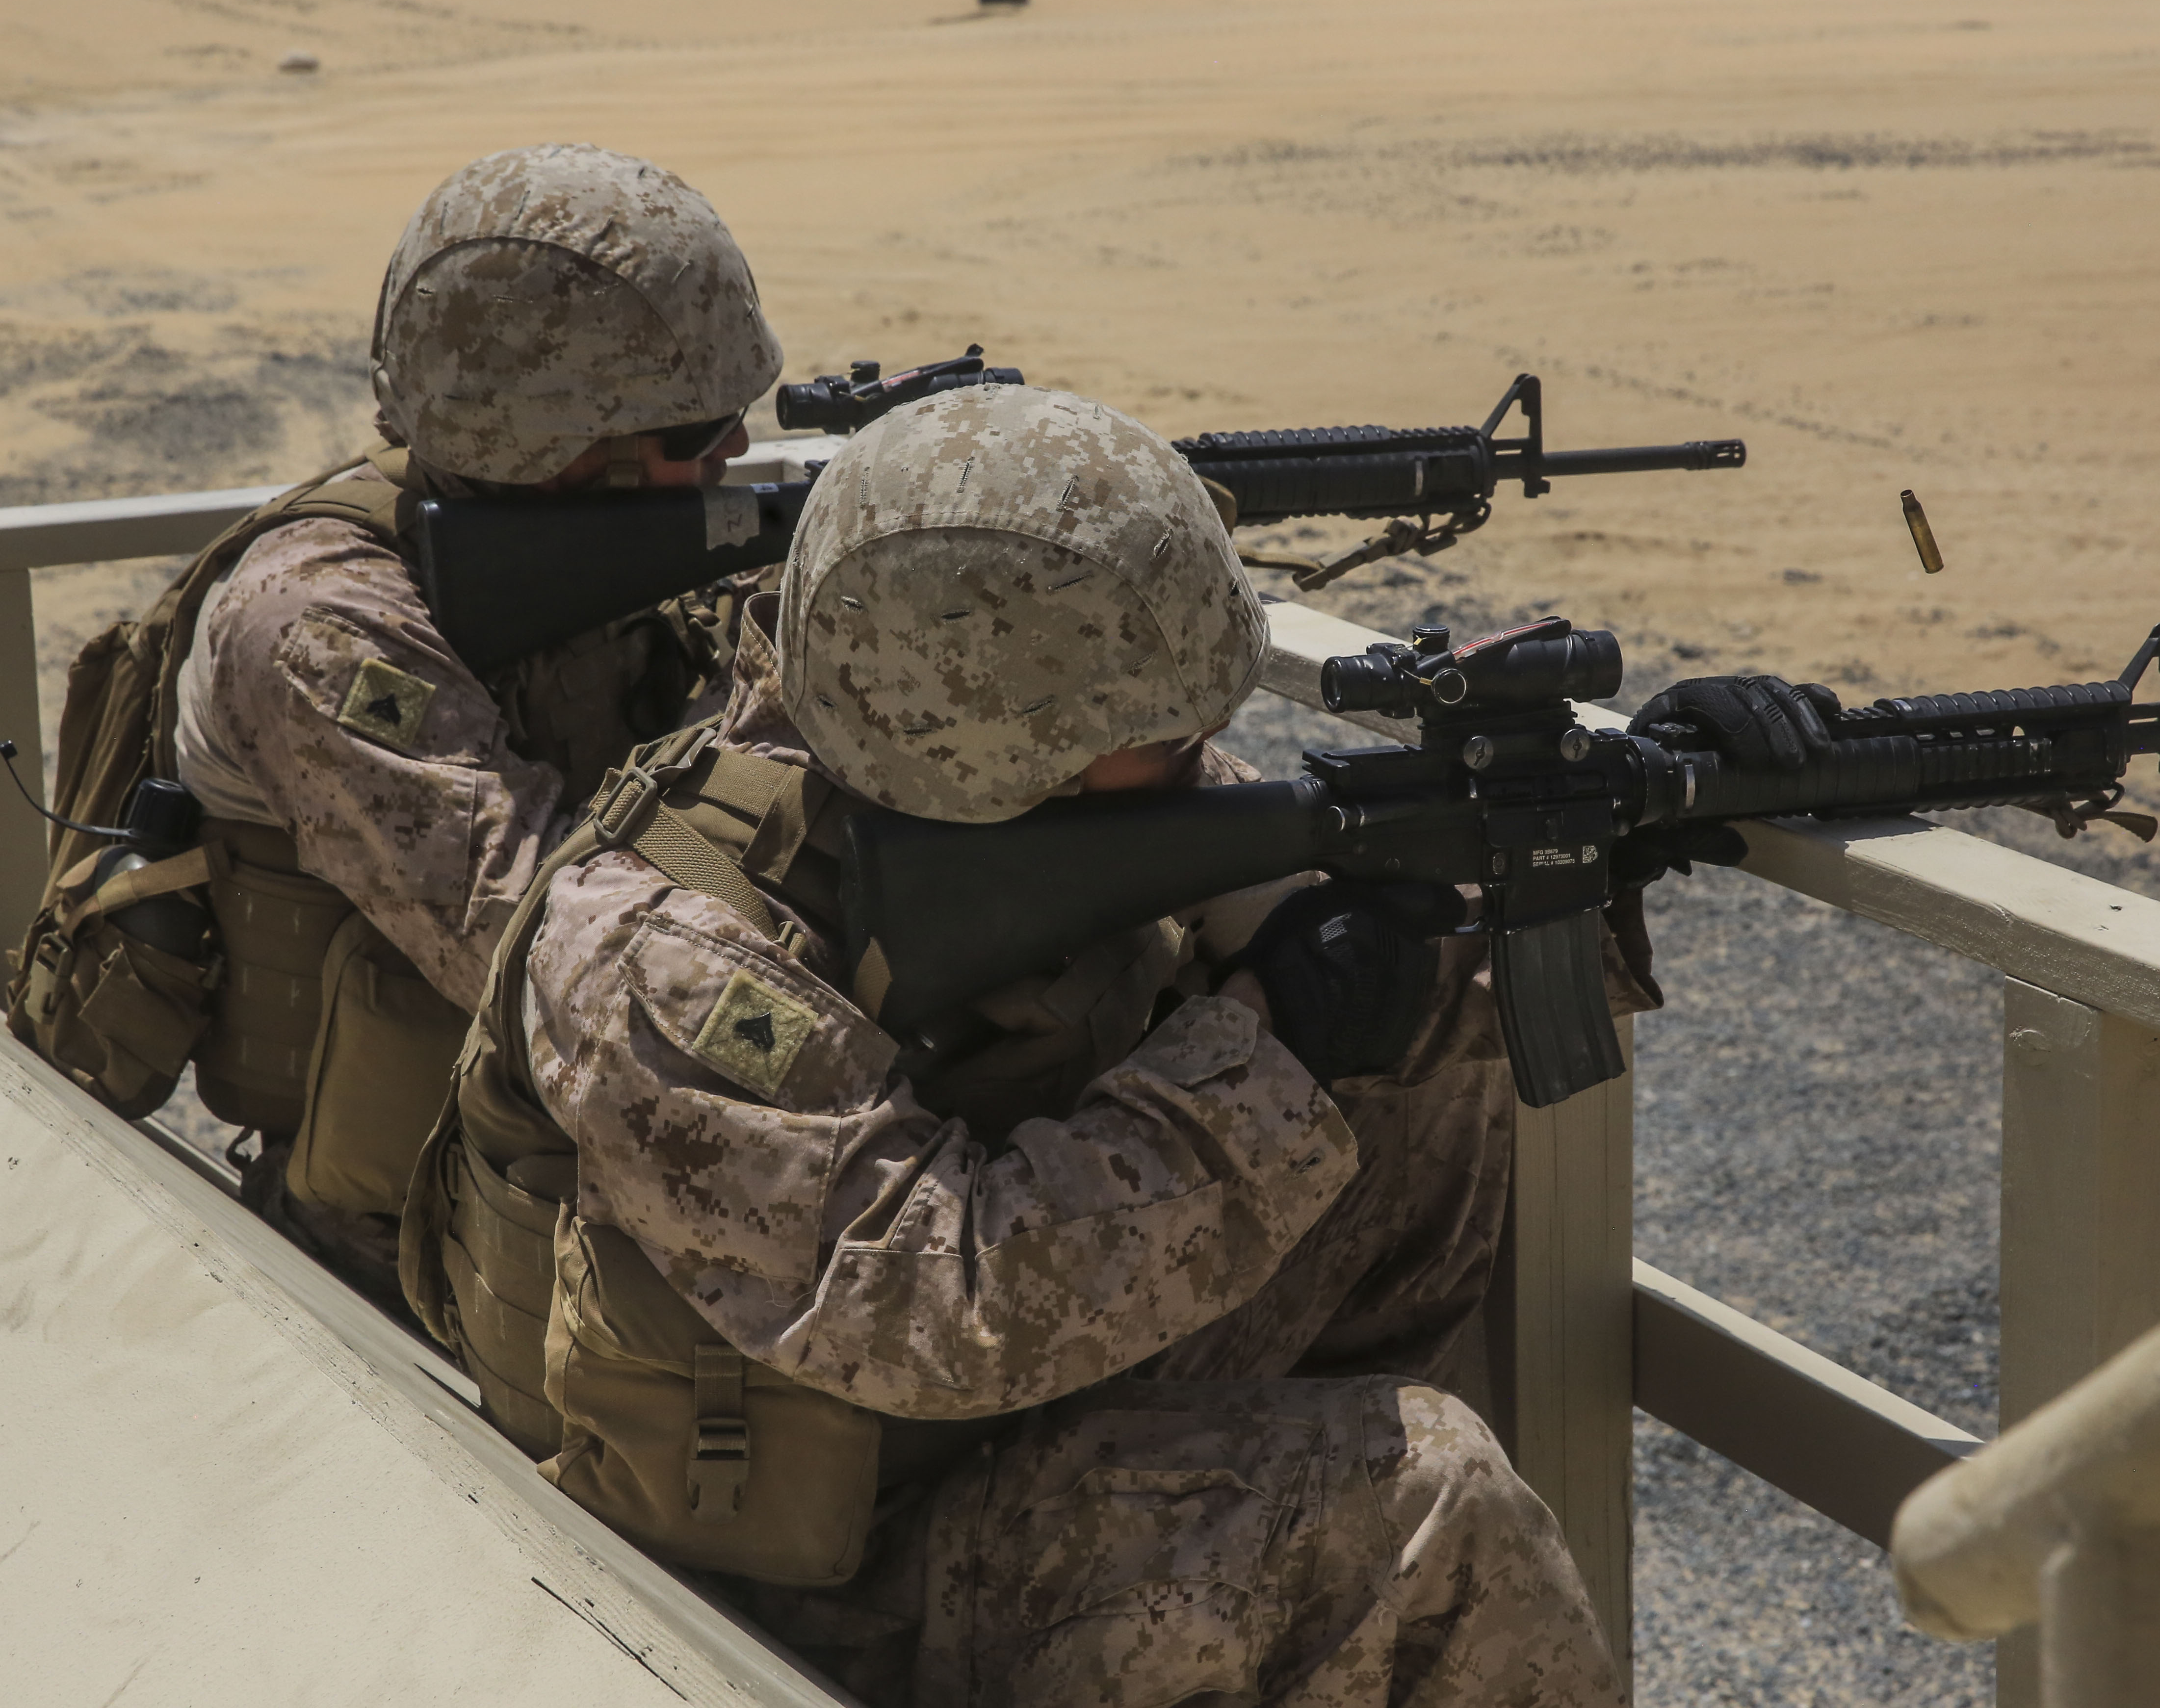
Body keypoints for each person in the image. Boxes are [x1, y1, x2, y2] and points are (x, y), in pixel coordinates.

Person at [404, 379, 1709, 1705]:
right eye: (1160, 735)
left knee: (1420, 1096)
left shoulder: (988, 786)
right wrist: (1270, 1041)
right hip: (813, 1575)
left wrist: (1618, 834)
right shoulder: (665, 952)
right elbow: (932, 1310)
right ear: (999, 750)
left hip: (976, 1438)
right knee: (1429, 1497)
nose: (1203, 753)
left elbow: (1374, 959)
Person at [7, 142, 781, 1298]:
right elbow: (539, 952)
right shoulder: (314, 626)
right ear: (555, 448)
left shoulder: (601, 548)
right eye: (697, 432)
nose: (740, 454)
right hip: (416, 1243)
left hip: (570, 1163)